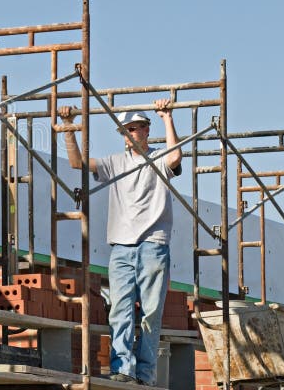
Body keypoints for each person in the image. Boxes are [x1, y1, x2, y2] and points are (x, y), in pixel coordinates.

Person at [58, 99, 181, 385]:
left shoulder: (160, 157)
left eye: (135, 129)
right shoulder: (115, 162)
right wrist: (67, 129)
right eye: (125, 130)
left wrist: (167, 117)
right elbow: (77, 163)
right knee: (121, 310)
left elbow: (176, 158)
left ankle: (145, 374)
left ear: (147, 131)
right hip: (122, 247)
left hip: (153, 244)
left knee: (150, 313)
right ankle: (123, 368)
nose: (129, 134)